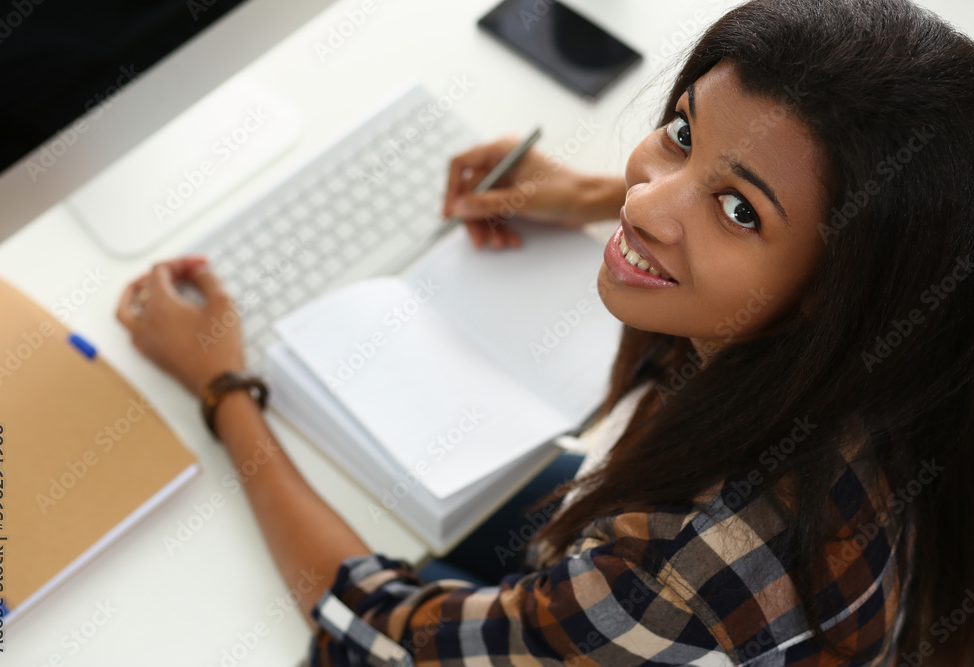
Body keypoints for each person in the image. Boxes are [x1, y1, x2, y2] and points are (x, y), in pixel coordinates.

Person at [115, 0, 974, 663]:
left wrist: (223, 388)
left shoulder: (680, 569)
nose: (644, 199)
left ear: (844, 285)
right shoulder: (909, 349)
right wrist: (588, 194)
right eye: (680, 133)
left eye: (738, 209)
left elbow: (381, 633)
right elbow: (725, 207)